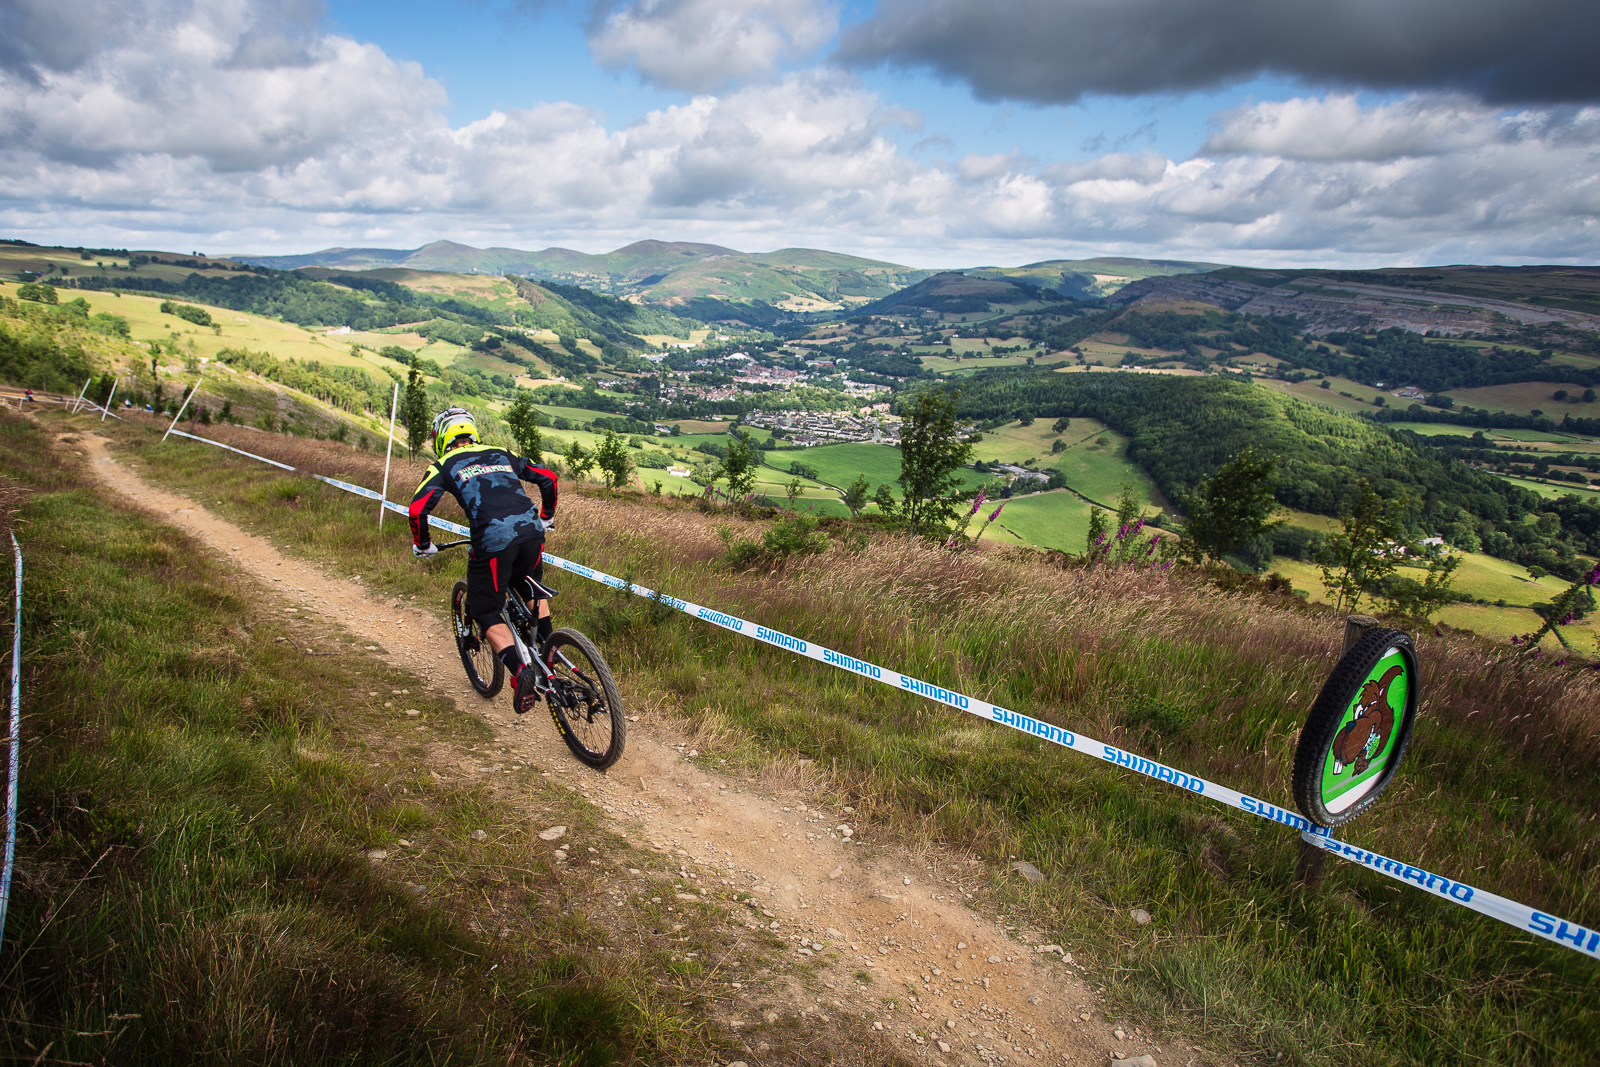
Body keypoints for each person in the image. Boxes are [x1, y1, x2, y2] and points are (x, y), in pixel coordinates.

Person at [409, 407, 558, 712]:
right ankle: (552, 654)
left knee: (485, 609)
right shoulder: (500, 452)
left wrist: (423, 545)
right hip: (531, 532)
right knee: (531, 588)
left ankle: (521, 672)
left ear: (441, 438)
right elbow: (548, 478)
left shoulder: (443, 465)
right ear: (471, 432)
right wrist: (546, 517)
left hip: (492, 542)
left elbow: (417, 509)